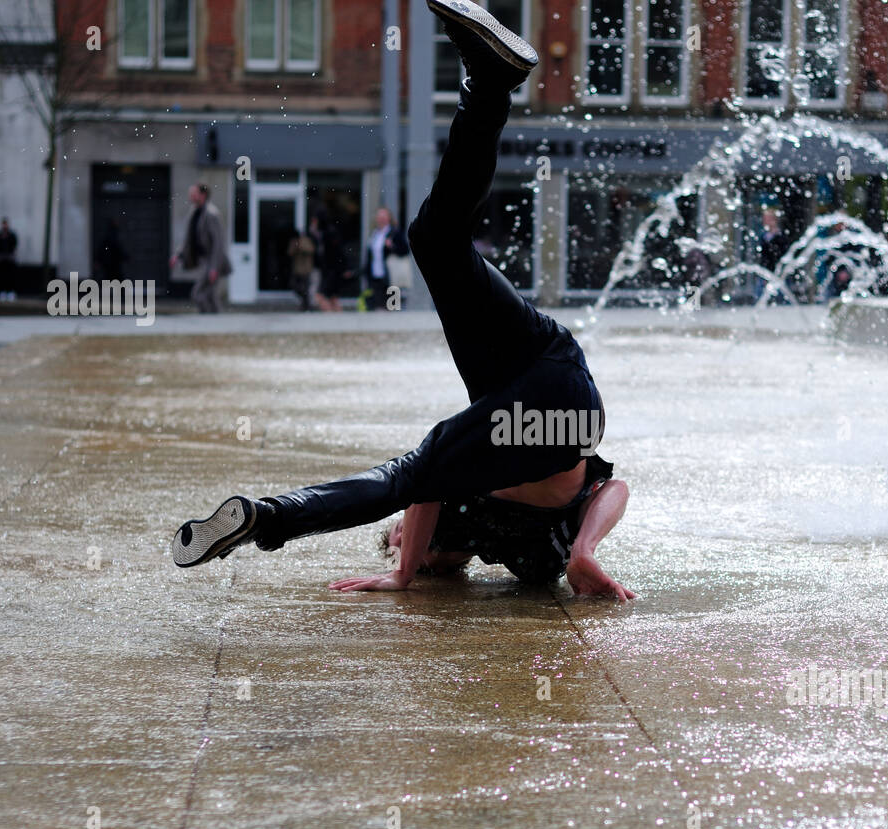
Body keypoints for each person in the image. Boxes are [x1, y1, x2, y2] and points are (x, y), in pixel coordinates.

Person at [171, 0, 634, 601]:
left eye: (396, 542)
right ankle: (270, 518)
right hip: (561, 403)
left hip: (540, 370)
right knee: (410, 472)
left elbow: (419, 497)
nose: (395, 539)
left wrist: (405, 570)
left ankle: (490, 85)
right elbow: (614, 488)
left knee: (434, 240)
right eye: (400, 542)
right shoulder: (475, 512)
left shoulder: (461, 504)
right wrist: (583, 550)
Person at [169, 183, 231, 313]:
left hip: (212, 261)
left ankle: (210, 321)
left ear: (203, 195)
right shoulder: (195, 212)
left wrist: (214, 267)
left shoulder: (211, 214)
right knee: (210, 294)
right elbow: (189, 239)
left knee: (198, 293)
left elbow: (218, 243)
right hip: (203, 260)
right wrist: (178, 255)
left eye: (194, 193)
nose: (190, 196)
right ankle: (216, 322)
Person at [362, 206, 409, 311]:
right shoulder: (375, 234)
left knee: (393, 306)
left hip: (391, 276)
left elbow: (405, 250)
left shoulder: (395, 233)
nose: (381, 219)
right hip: (376, 276)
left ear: (389, 218)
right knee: (378, 306)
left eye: (384, 216)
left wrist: (392, 246)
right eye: (379, 217)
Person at [0, 218, 18, 300]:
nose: (5, 226)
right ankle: (2, 292)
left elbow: (13, 245)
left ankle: (10, 292)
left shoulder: (11, 235)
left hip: (9, 259)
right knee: (1, 276)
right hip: (1, 259)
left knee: (10, 276)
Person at [287, 229, 317, 311]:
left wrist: (301, 246)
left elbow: (311, 250)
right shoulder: (293, 242)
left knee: (306, 288)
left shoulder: (306, 241)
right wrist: (294, 247)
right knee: (294, 286)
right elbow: (290, 253)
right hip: (296, 269)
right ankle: (305, 303)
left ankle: (306, 306)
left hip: (306, 269)